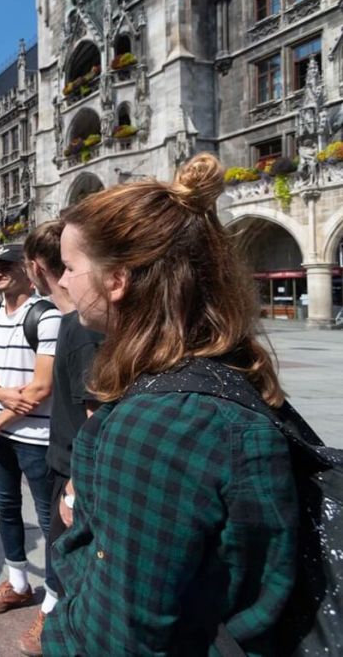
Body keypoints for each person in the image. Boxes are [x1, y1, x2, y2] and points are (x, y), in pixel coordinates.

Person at [44, 154, 298, 655]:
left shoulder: (162, 424)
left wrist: (83, 531)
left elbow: (118, 637)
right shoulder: (221, 370)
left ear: (116, 280)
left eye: (71, 267)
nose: (65, 282)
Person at [9, 221, 103, 655]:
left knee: (69, 555)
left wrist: (75, 487)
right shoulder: (70, 323)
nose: (64, 277)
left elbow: (94, 416)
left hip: (72, 469)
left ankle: (58, 619)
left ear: (33, 268)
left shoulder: (81, 330)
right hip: (61, 459)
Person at [0, 243, 61, 631]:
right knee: (6, 507)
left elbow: (42, 386)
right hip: (1, 428)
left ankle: (56, 602)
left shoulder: (47, 315)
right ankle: (19, 582)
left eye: (5, 265)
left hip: (36, 435)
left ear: (29, 268)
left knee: (50, 520)